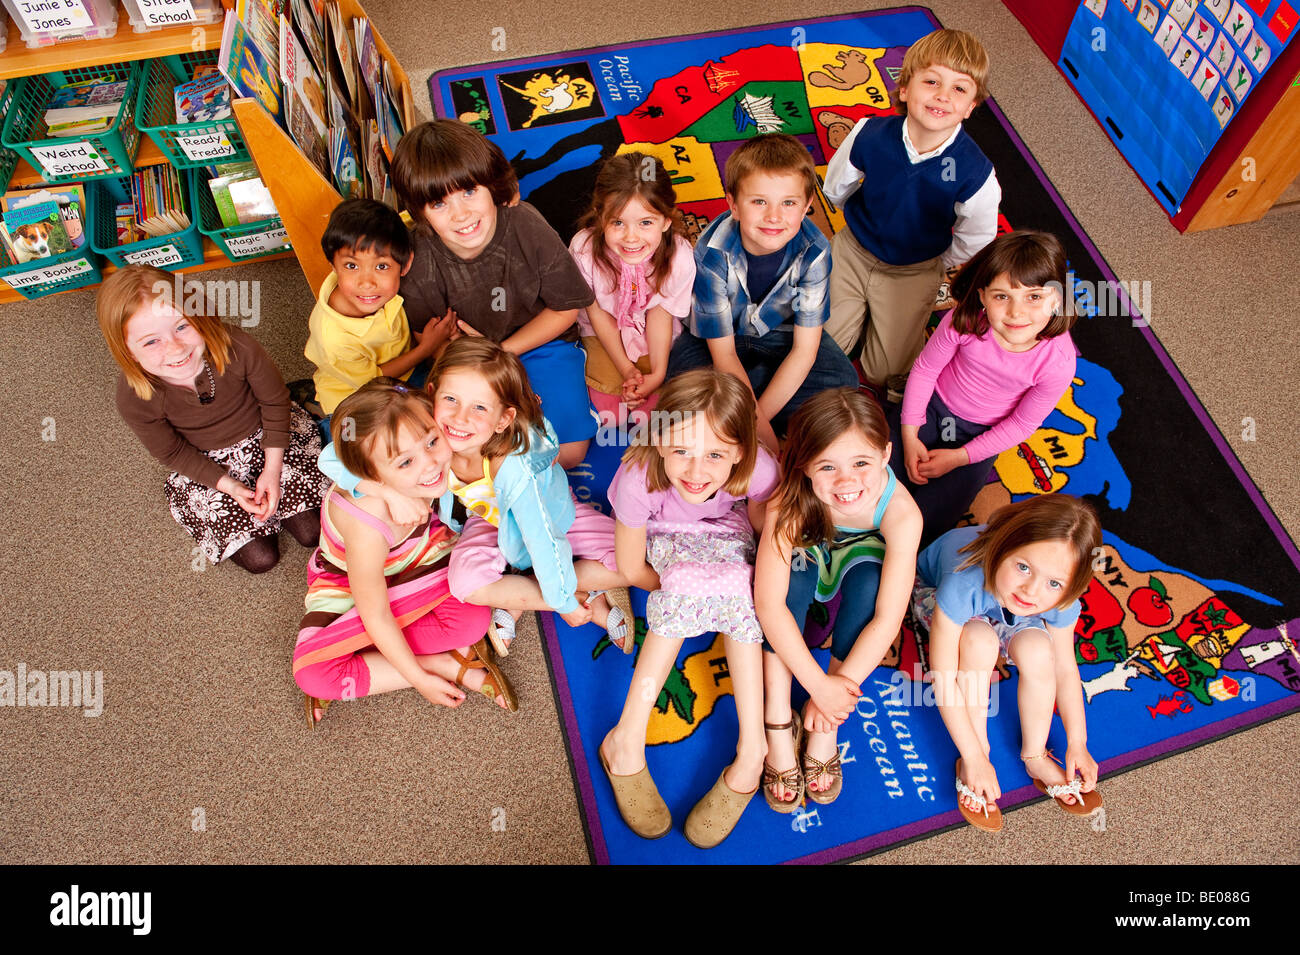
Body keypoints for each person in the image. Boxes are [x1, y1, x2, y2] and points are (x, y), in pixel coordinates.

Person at [320, 338, 633, 655]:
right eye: (451, 399)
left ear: (503, 419)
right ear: (432, 396)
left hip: (554, 518)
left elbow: (543, 540)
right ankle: (575, 592)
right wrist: (383, 489)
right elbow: (331, 457)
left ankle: (538, 594)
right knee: (464, 583)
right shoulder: (428, 425)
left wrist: (562, 601)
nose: (459, 419)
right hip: (489, 523)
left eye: (479, 407)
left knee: (630, 561)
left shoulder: (514, 468)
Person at [599, 369, 779, 848]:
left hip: (726, 533)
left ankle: (753, 749)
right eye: (682, 451)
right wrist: (679, 588)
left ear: (740, 452)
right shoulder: (640, 478)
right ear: (660, 441)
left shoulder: (759, 469)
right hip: (666, 541)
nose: (696, 471)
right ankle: (626, 739)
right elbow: (631, 565)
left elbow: (762, 519)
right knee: (685, 587)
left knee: (745, 590)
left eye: (715, 455)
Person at [295, 379, 510, 728]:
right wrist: (418, 678)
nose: (430, 464)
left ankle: (372, 656)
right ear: (371, 475)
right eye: (405, 462)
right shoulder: (366, 523)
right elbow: (375, 614)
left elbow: (334, 455)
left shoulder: (423, 461)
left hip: (420, 559)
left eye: (432, 441)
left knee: (472, 622)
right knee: (313, 675)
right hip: (351, 588)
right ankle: (441, 663)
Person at [391, 119, 598, 469]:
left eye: (469, 191)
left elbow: (566, 310)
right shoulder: (417, 259)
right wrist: (471, 363)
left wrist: (501, 353)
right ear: (420, 212)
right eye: (439, 204)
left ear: (493, 187)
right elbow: (431, 343)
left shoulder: (525, 224)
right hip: (467, 362)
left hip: (539, 343)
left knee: (572, 452)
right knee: (452, 452)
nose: (461, 214)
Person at [99, 264, 326, 574]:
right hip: (208, 464)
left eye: (182, 327)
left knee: (312, 532)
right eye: (151, 341)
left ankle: (274, 499)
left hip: (268, 436)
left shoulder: (238, 347)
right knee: (262, 560)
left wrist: (272, 470)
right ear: (127, 351)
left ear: (200, 316)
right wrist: (231, 487)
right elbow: (172, 452)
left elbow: (274, 402)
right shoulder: (133, 397)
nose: (176, 349)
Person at [755, 388, 921, 811]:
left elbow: (888, 618)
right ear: (804, 464)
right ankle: (777, 718)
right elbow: (769, 605)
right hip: (808, 547)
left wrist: (831, 700)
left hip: (860, 553)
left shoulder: (902, 514)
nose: (846, 482)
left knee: (870, 585)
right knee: (791, 581)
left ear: (886, 455)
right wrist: (815, 686)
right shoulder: (790, 500)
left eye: (861, 463)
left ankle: (824, 728)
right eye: (826, 466)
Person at [822, 28, 1000, 397]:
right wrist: (859, 228)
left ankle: (895, 312)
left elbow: (977, 236)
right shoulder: (868, 133)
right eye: (931, 81)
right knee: (823, 347)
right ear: (904, 89)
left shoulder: (976, 173)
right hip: (853, 250)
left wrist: (936, 263)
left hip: (914, 268)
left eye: (959, 89)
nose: (942, 96)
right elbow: (837, 187)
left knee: (885, 372)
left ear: (971, 107)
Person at [916, 494, 1104, 831]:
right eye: (1023, 566)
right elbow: (943, 676)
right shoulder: (964, 580)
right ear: (1003, 546)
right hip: (935, 591)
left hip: (1002, 607)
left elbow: (1064, 666)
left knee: (1038, 649)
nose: (1031, 590)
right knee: (980, 640)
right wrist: (973, 756)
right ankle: (978, 752)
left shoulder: (1052, 597)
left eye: (1053, 583)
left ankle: (1034, 755)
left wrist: (1078, 741)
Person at [666, 133, 857, 449]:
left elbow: (805, 351)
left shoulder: (816, 251)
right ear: (734, 206)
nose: (774, 217)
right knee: (686, 386)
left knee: (842, 385)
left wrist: (757, 425)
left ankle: (739, 413)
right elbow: (723, 355)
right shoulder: (712, 252)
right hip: (717, 340)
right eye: (759, 201)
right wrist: (764, 436)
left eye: (789, 203)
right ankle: (752, 406)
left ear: (807, 206)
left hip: (783, 335)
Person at [891, 230, 1077, 546]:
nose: (1017, 313)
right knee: (875, 468)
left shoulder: (1058, 362)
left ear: (1057, 299)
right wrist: (910, 436)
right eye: (1002, 296)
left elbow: (1021, 424)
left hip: (981, 437)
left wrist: (960, 458)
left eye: (1034, 297)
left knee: (928, 522)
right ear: (982, 297)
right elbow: (925, 370)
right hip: (933, 407)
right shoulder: (965, 319)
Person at [304, 199, 439, 442]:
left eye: (382, 266)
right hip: (355, 395)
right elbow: (374, 380)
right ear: (333, 265)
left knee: (443, 414)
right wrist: (426, 348)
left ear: (405, 264)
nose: (367, 282)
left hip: (405, 371)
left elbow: (413, 220)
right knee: (370, 447)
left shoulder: (391, 248)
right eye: (352, 266)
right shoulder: (333, 337)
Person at [569, 151, 694, 413]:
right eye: (618, 223)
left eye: (645, 222)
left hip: (655, 334)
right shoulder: (583, 249)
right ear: (600, 216)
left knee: (663, 404)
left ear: (666, 221)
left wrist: (658, 373)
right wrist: (626, 368)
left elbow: (660, 314)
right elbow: (596, 314)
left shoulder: (679, 255)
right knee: (609, 411)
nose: (631, 238)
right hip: (603, 333)